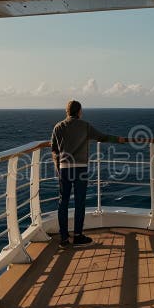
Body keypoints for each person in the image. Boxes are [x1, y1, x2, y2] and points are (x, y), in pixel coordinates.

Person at [50, 100, 124, 248]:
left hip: (64, 168)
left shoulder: (58, 126)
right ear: (79, 112)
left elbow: (54, 150)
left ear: (67, 112)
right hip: (80, 168)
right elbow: (102, 137)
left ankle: (64, 238)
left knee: (63, 202)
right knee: (79, 202)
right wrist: (118, 139)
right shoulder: (85, 126)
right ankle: (78, 236)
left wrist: (57, 166)